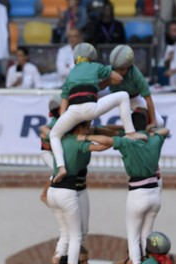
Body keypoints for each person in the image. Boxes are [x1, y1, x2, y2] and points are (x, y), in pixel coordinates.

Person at [48, 43, 136, 184]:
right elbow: (118, 78)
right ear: (92, 57)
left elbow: (63, 104)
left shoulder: (70, 74)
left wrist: (63, 124)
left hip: (73, 112)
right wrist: (100, 83)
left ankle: (61, 168)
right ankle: (130, 133)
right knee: (123, 96)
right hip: (91, 108)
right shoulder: (96, 66)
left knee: (54, 135)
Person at [43, 121, 117, 264]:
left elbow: (44, 130)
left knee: (65, 235)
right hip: (67, 191)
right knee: (76, 236)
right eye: (86, 127)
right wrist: (89, 138)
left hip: (54, 191)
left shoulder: (60, 138)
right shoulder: (78, 142)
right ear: (79, 128)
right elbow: (104, 145)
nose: (88, 130)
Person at [109, 112, 170, 264]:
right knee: (146, 236)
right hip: (154, 194)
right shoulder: (153, 139)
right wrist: (151, 131)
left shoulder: (127, 141)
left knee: (133, 236)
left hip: (138, 193)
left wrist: (86, 137)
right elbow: (166, 130)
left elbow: (107, 140)